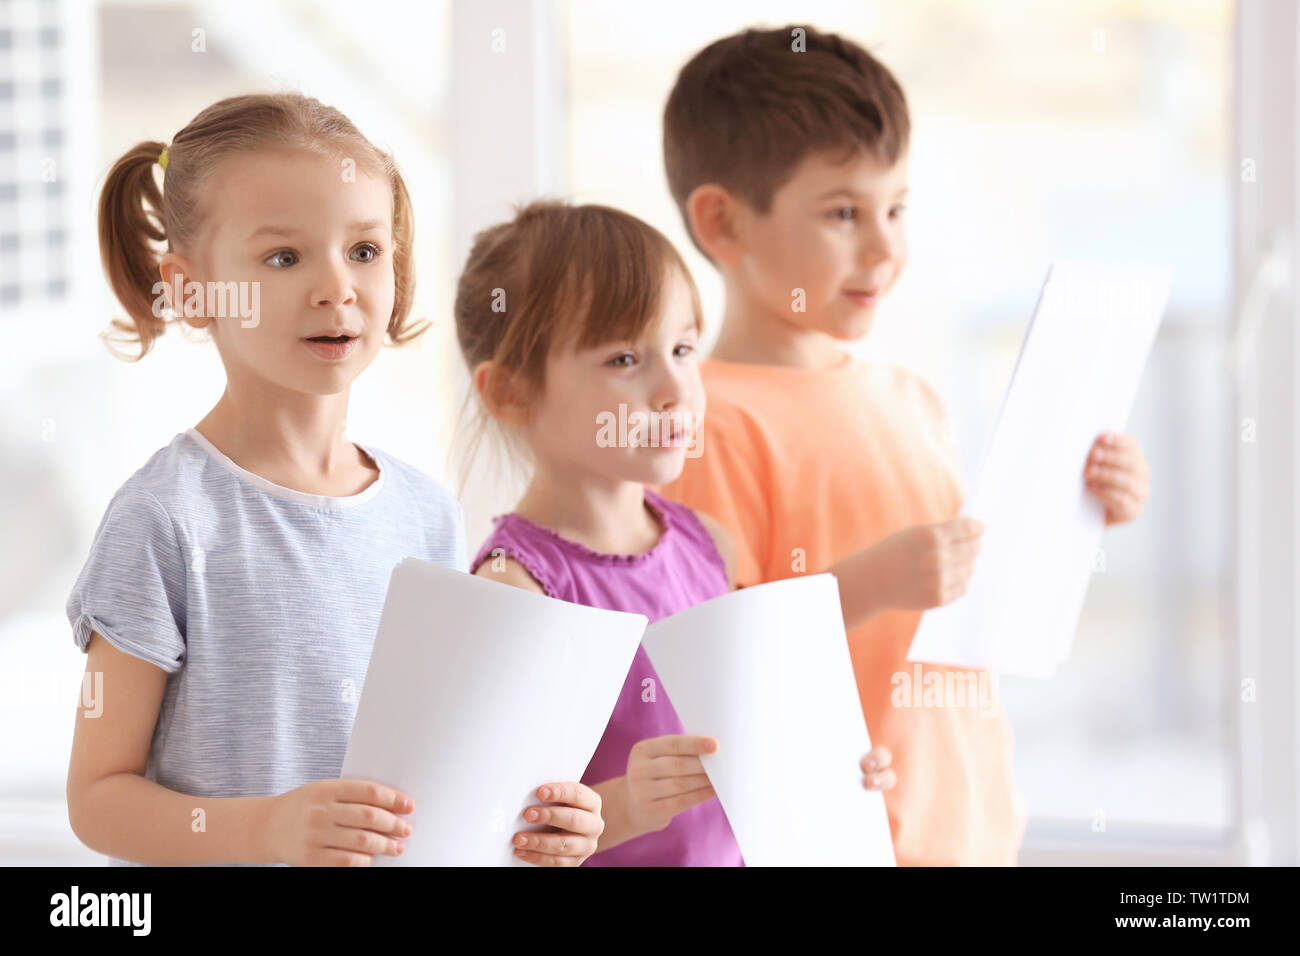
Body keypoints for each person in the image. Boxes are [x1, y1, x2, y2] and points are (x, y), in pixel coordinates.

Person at [656, 25, 1152, 865]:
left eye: (896, 208)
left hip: (966, 824)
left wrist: (1083, 505)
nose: (885, 248)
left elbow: (970, 602)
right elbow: (707, 658)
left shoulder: (910, 397)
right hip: (835, 840)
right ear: (723, 223)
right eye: (844, 212)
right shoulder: (703, 426)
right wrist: (869, 583)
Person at [65, 93, 602, 867]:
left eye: (364, 251)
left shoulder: (428, 514)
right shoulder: (165, 518)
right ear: (190, 290)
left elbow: (446, 760)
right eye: (284, 258)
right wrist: (266, 831)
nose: (337, 289)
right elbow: (98, 799)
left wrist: (541, 818)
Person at [457, 200, 897, 866]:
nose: (675, 389)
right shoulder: (514, 589)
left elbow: (752, 739)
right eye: (625, 359)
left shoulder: (708, 543)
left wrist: (833, 771)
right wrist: (630, 804)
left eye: (684, 348)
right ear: (511, 394)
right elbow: (497, 835)